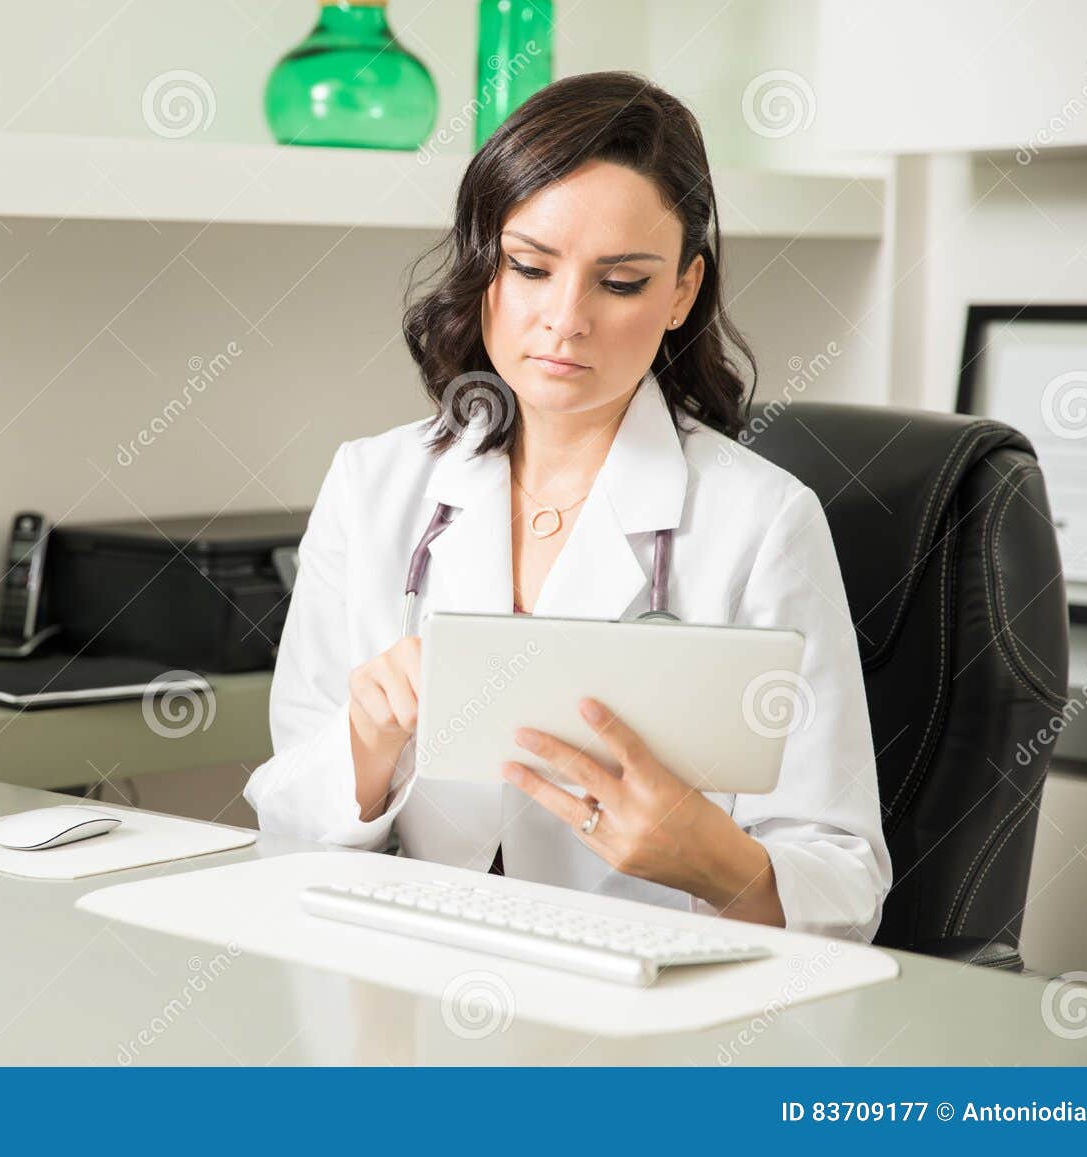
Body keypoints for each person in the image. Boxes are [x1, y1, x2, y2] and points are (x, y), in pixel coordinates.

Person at [242, 71, 891, 942]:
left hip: (643, 1006)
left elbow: (844, 879)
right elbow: (283, 829)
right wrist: (365, 745)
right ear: (487, 269)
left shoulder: (762, 521)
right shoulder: (373, 485)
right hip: (413, 977)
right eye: (531, 267)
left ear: (682, 294)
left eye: (620, 282)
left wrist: (709, 856)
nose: (565, 318)